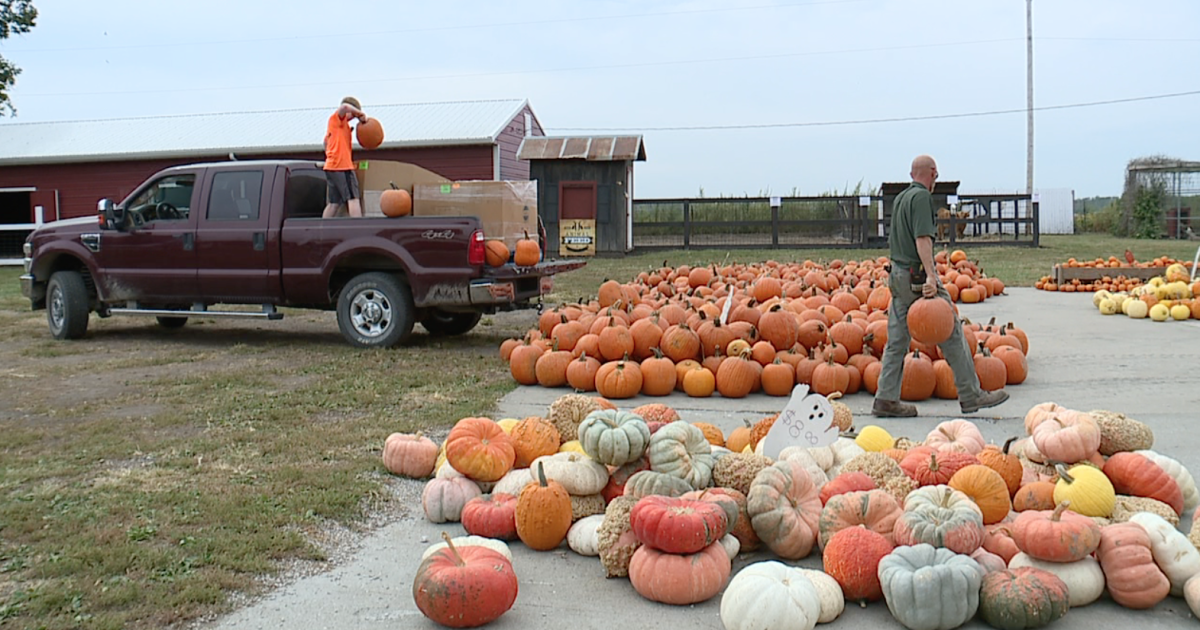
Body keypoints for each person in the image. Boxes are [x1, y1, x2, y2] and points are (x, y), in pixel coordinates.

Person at [872, 155, 1009, 417]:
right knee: (950, 330)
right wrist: (931, 277)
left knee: (897, 340)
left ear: (911, 174)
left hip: (897, 274)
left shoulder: (901, 198)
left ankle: (885, 398)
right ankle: (971, 394)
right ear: (933, 173)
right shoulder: (922, 197)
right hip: (916, 275)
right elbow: (922, 239)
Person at [322, 97, 369, 218]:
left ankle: (322, 226)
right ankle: (357, 226)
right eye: (352, 114)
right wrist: (360, 114)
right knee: (353, 198)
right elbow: (344, 107)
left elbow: (325, 141)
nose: (353, 117)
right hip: (342, 166)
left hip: (331, 167)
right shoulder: (336, 119)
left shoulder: (340, 126)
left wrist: (330, 155)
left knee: (334, 203)